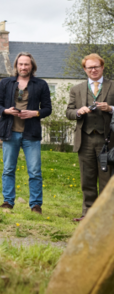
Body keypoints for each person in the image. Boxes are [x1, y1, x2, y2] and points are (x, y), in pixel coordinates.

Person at [0, 52, 52, 214]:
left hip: (31, 134)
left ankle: (35, 205)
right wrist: (6, 111)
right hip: (10, 132)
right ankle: (8, 201)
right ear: (16, 66)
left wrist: (35, 113)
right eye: (21, 64)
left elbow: (47, 109)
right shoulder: (6, 83)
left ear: (32, 66)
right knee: (8, 169)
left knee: (35, 171)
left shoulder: (41, 84)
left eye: (26, 64)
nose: (23, 67)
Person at [66, 54, 114, 221]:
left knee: (107, 179)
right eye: (89, 67)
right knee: (87, 178)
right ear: (85, 69)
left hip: (108, 140)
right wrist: (79, 111)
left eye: (96, 67)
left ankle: (106, 216)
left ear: (102, 67)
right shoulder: (76, 89)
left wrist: (111, 108)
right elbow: (69, 112)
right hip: (85, 139)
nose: (93, 70)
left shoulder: (112, 86)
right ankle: (87, 214)